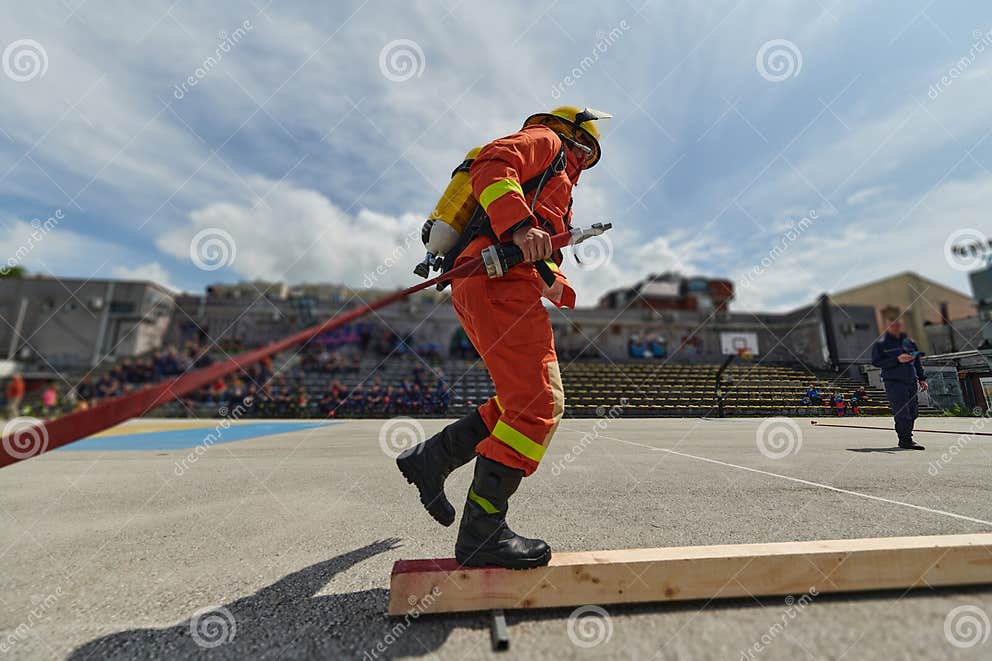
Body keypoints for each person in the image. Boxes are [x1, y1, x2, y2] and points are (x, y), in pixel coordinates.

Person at [396, 106, 609, 568]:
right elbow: (494, 163)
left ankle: (433, 459)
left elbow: (533, 245)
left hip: (490, 281)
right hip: (497, 282)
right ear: (573, 136)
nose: (583, 163)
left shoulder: (556, 184)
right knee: (538, 404)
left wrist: (553, 281)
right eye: (585, 152)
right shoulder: (546, 142)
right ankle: (482, 533)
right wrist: (520, 225)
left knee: (519, 401)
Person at [871, 317, 928, 450]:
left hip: (911, 380)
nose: (896, 328)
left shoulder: (909, 342)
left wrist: (922, 378)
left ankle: (906, 437)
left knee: (913, 412)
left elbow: (917, 362)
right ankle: (905, 439)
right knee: (902, 412)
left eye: (898, 325)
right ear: (888, 327)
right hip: (894, 382)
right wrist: (897, 360)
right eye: (893, 325)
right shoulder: (881, 344)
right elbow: (876, 362)